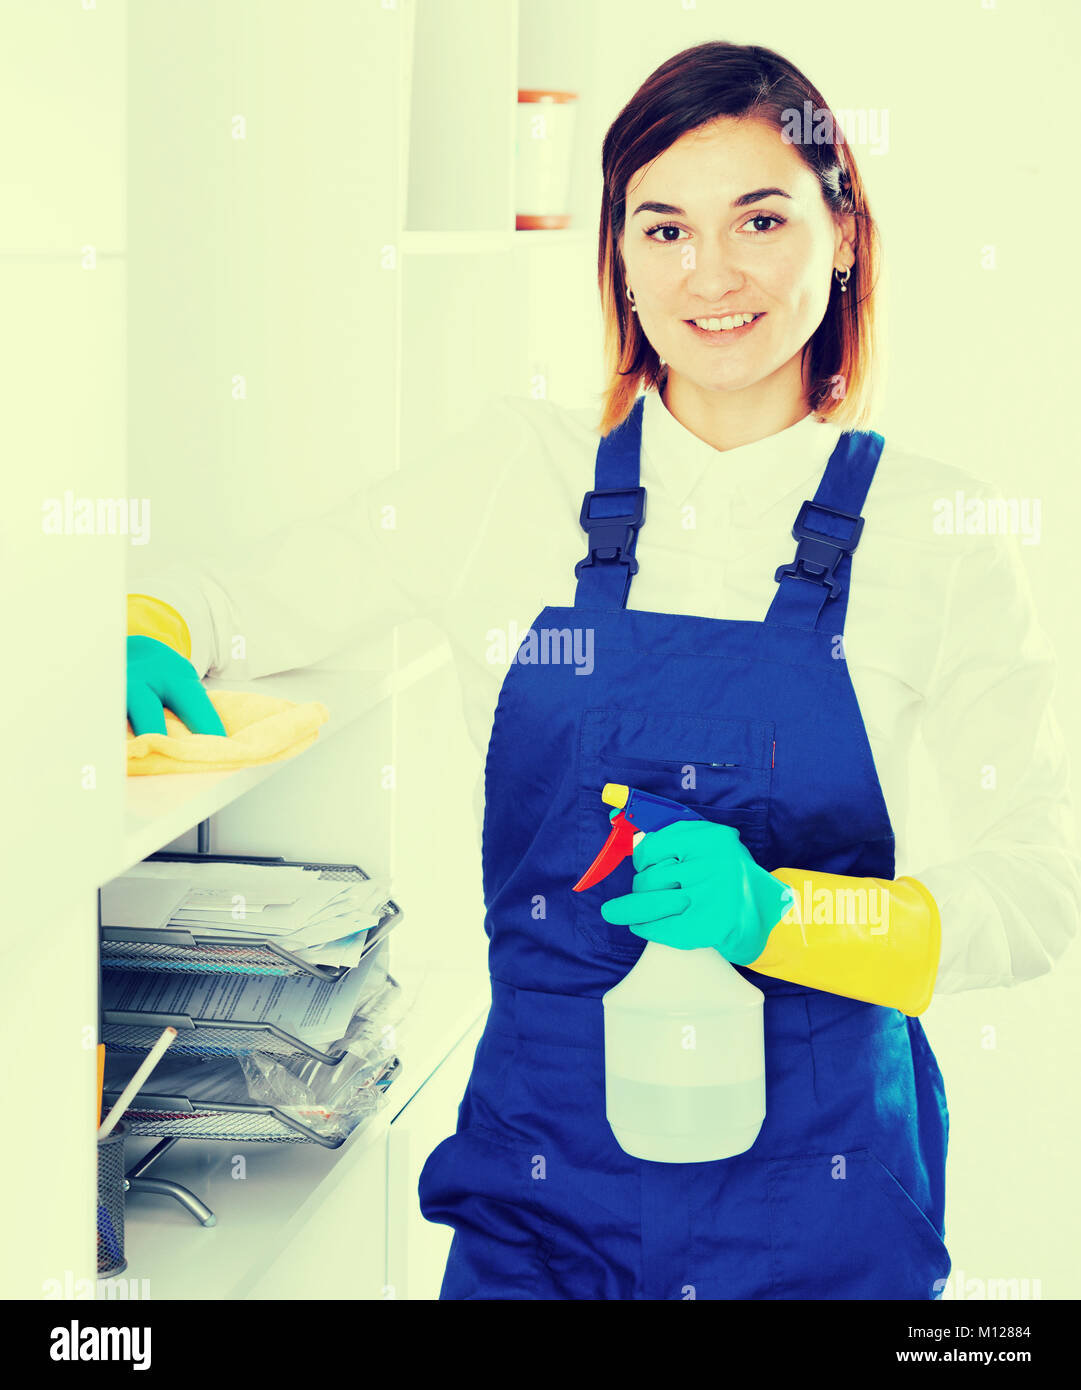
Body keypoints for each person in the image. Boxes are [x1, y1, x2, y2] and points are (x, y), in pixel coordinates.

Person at [127, 41, 1080, 1300]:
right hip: (543, 1202)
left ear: (843, 234)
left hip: (820, 1211)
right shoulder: (510, 482)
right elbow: (245, 600)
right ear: (619, 260)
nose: (712, 272)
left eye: (760, 217)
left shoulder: (936, 534)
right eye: (663, 228)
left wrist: (781, 915)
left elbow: (1048, 875)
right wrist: (150, 623)